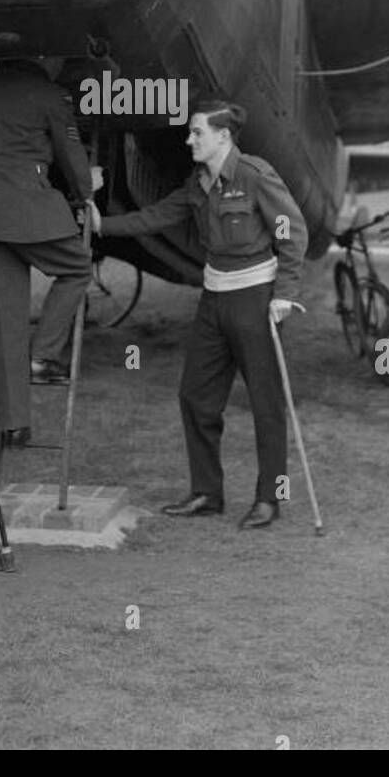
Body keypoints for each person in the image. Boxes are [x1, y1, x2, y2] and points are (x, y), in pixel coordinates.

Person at [88, 101, 307, 529]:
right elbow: (156, 216)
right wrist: (102, 227)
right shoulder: (198, 183)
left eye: (197, 133)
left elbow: (291, 231)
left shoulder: (255, 175)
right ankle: (207, 493)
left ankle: (269, 498)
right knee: (195, 396)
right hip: (213, 300)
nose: (189, 140)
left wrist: (285, 293)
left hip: (255, 299)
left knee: (265, 403)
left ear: (222, 136)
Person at [0, 58, 93, 450]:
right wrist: (87, 193)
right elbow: (69, 152)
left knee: (2, 320)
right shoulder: (52, 95)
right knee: (76, 269)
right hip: (25, 208)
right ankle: (44, 356)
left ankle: (14, 425)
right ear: (46, 61)